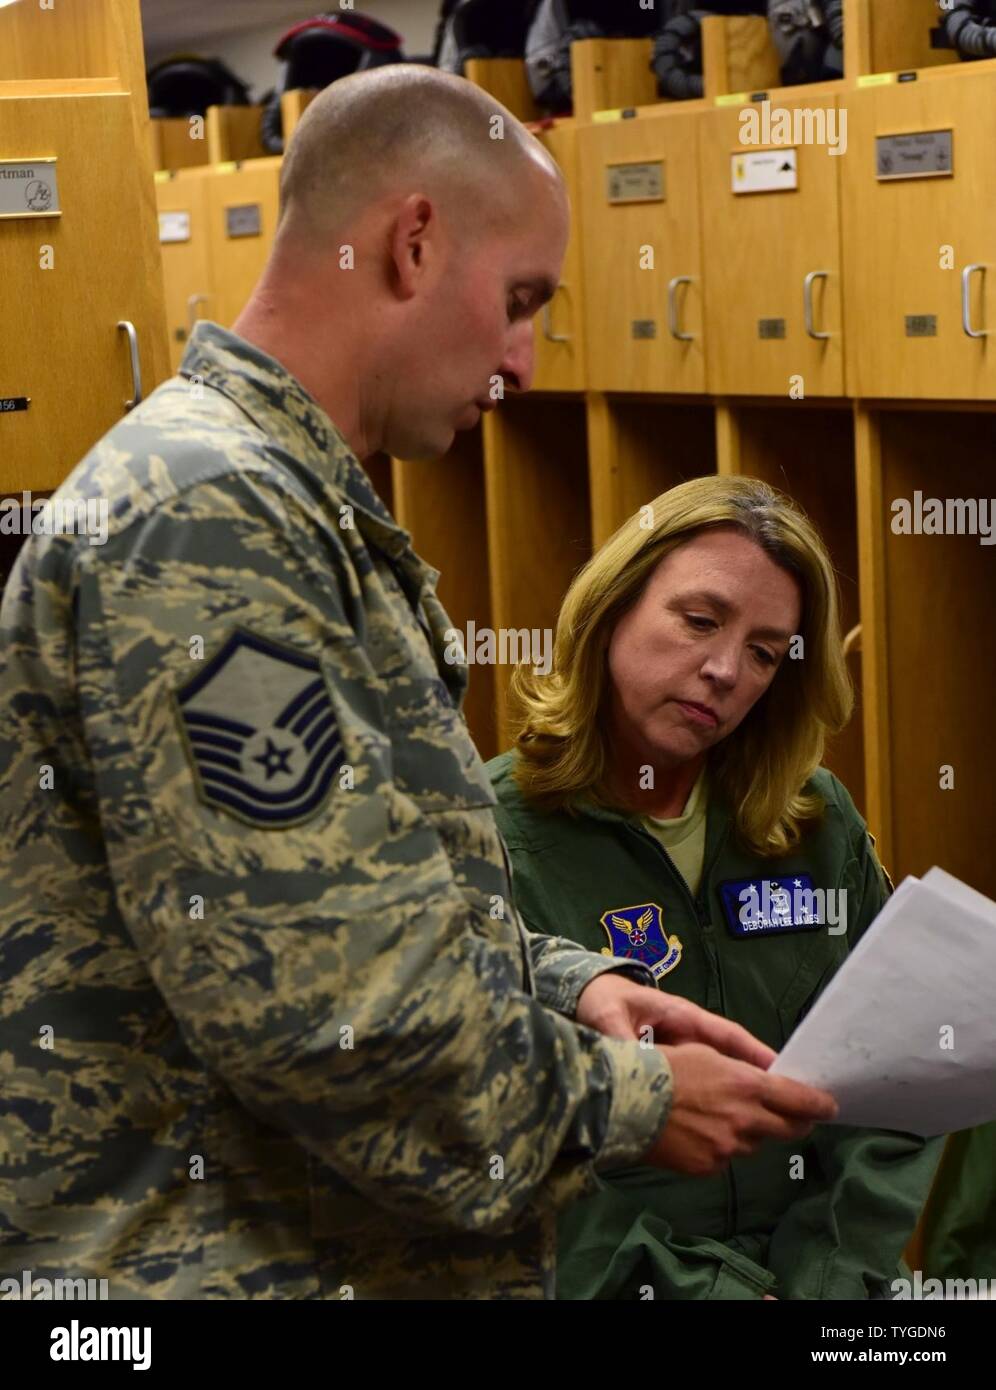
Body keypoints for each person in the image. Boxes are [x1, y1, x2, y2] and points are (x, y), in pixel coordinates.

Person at [0, 68, 835, 1301]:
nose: (526, 362)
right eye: (519, 301)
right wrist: (627, 1100)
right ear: (413, 242)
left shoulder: (288, 508)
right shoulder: (209, 516)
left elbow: (360, 897)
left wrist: (571, 983)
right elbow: (330, 1013)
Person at [488, 475, 944, 1300]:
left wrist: (830, 1282)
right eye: (699, 622)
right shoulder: (484, 835)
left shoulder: (813, 820)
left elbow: (895, 1082)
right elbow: (510, 1155)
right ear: (614, 607)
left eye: (766, 653)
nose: (725, 670)